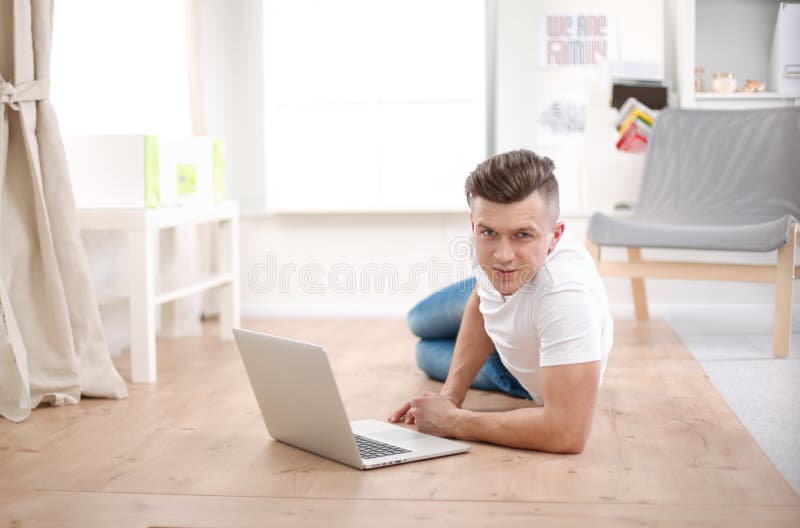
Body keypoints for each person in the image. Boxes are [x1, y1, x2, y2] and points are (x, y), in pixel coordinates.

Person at [389, 149, 613, 454]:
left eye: (523, 235)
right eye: (489, 232)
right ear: (474, 226)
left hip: (523, 369)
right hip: (514, 321)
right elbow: (485, 301)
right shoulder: (494, 244)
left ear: (555, 236)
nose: (503, 255)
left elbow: (567, 432)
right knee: (418, 321)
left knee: (424, 354)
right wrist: (449, 397)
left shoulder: (566, 296)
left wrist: (452, 420)